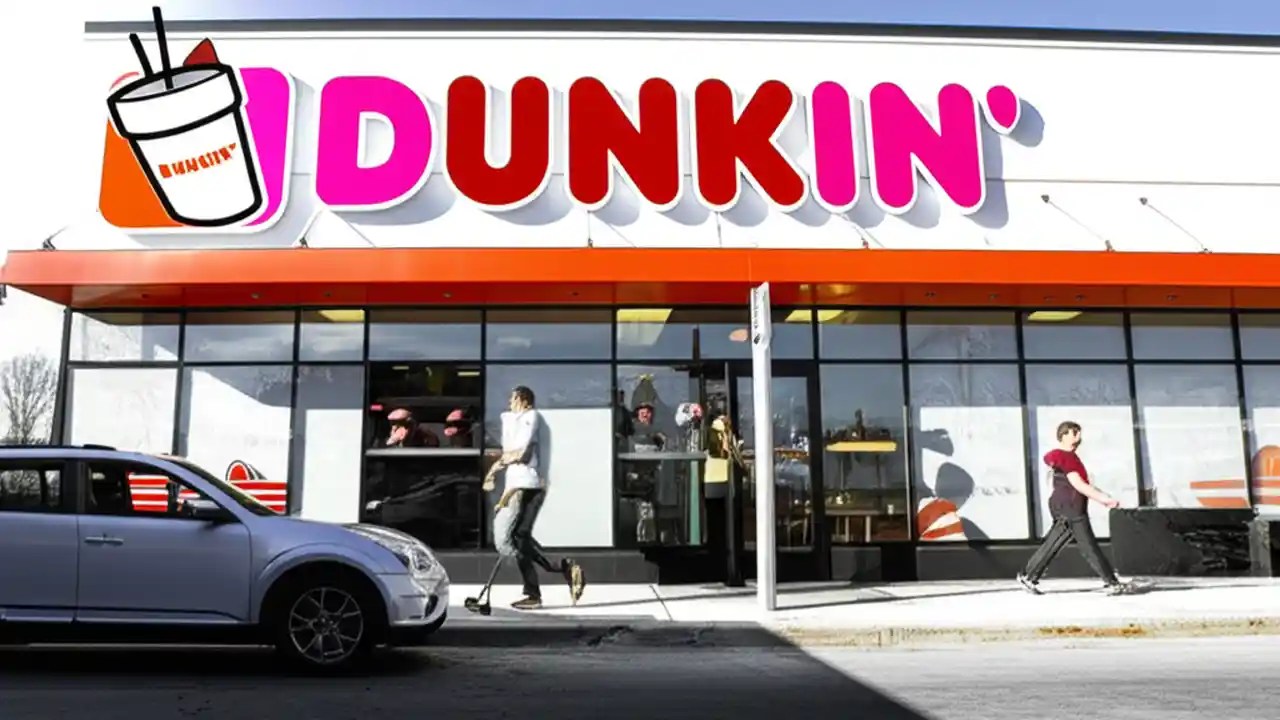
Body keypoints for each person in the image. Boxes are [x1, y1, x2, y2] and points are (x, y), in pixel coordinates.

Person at [483, 386, 586, 610]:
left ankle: (535, 592)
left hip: (527, 486)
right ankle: (562, 568)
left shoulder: (530, 417)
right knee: (521, 536)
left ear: (523, 399)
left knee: (517, 537)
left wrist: (501, 463)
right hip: (522, 486)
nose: (509, 402)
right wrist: (500, 466)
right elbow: (513, 454)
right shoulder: (513, 420)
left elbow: (523, 453)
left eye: (512, 398)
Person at [1017, 421, 1137, 596]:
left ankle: (1028, 576)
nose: (1079, 436)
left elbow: (1076, 482)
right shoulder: (1066, 458)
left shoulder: (1063, 457)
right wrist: (1104, 500)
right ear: (1063, 435)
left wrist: (1103, 495)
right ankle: (1112, 583)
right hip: (1071, 508)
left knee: (1057, 542)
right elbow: (1079, 484)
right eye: (1074, 433)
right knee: (1088, 546)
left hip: (1064, 506)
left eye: (1079, 432)